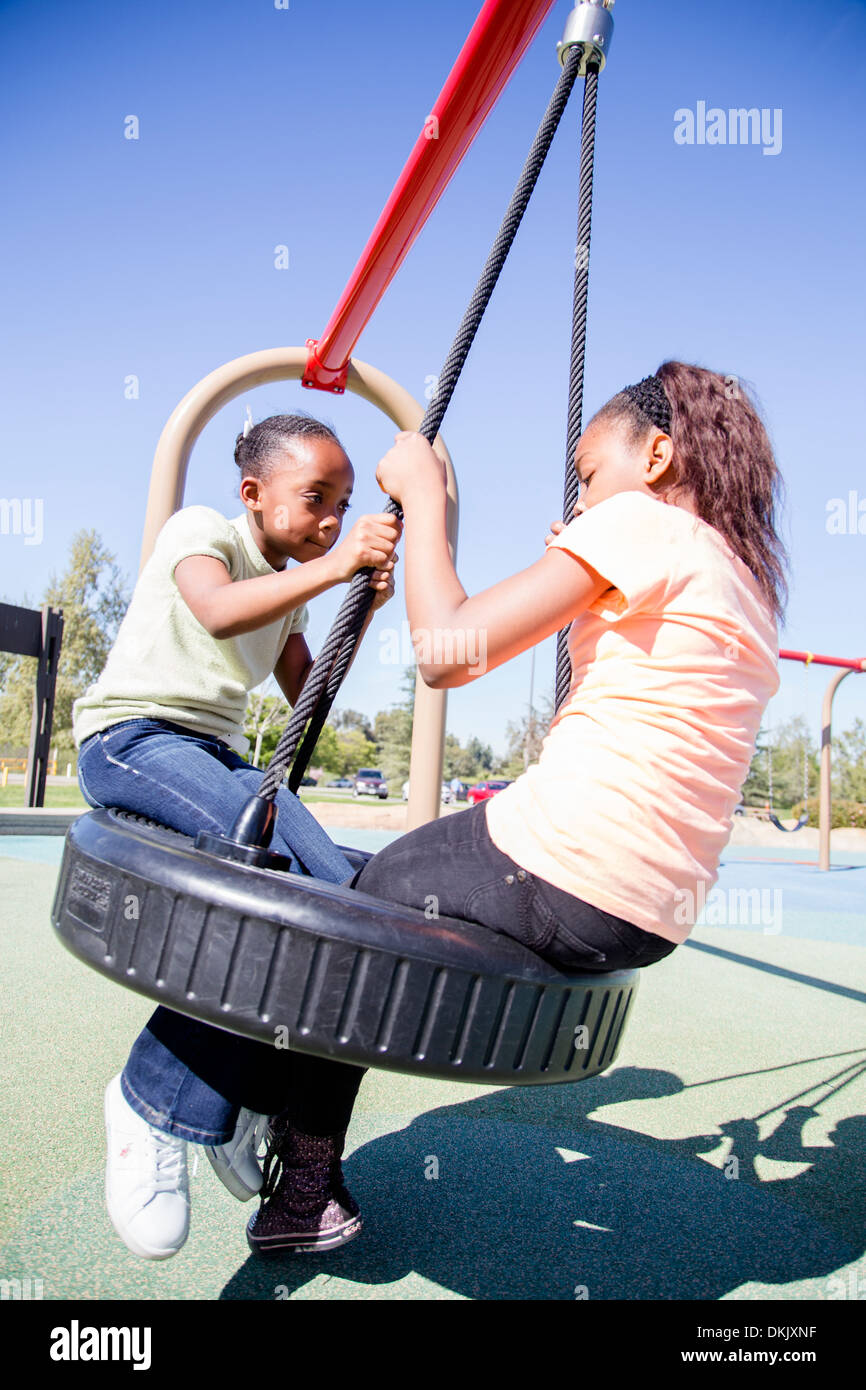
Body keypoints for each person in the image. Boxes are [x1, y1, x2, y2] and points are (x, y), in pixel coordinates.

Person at [241, 360, 788, 1255]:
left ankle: (302, 1189)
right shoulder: (746, 580)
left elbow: (446, 650)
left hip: (567, 859)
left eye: (589, 472)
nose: (585, 494)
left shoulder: (637, 525)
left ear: (656, 456)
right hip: (650, 916)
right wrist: (582, 582)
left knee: (358, 906)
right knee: (414, 892)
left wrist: (425, 498)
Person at [71, 412, 401, 1259]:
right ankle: (148, 1103)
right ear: (254, 494)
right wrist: (336, 566)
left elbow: (309, 696)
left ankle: (239, 1103)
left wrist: (357, 606)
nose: (332, 517)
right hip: (136, 740)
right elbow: (216, 611)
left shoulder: (288, 590)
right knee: (286, 896)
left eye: (343, 503)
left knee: (339, 901)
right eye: (315, 498)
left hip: (214, 759)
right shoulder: (204, 532)